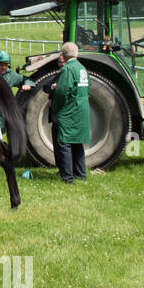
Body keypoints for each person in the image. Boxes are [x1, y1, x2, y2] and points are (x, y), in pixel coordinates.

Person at [48, 42, 90, 183]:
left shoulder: (67, 69)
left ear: (64, 55)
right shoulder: (82, 68)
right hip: (81, 110)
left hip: (68, 112)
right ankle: (80, 175)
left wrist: (55, 106)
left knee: (64, 143)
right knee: (78, 143)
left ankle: (67, 177)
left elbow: (61, 91)